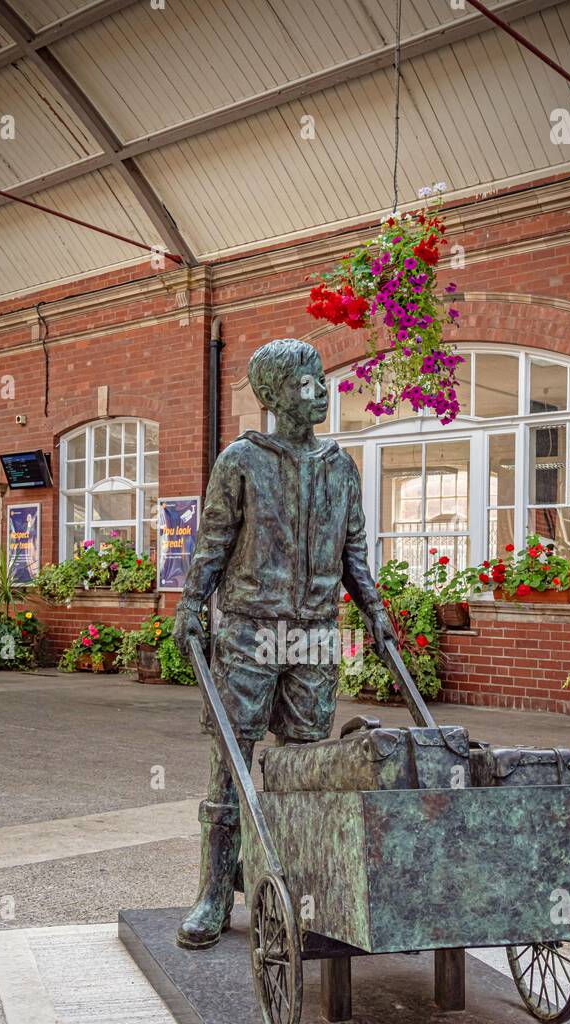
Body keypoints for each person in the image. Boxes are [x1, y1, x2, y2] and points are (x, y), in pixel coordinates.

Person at [172, 337, 391, 949]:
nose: (320, 389)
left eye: (321, 379)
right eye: (307, 381)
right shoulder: (241, 460)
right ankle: (215, 890)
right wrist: (192, 604)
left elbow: (353, 553)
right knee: (232, 760)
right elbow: (212, 541)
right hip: (248, 628)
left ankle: (293, 882)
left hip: (315, 635)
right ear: (272, 395)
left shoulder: (340, 466)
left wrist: (373, 611)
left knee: (302, 763)